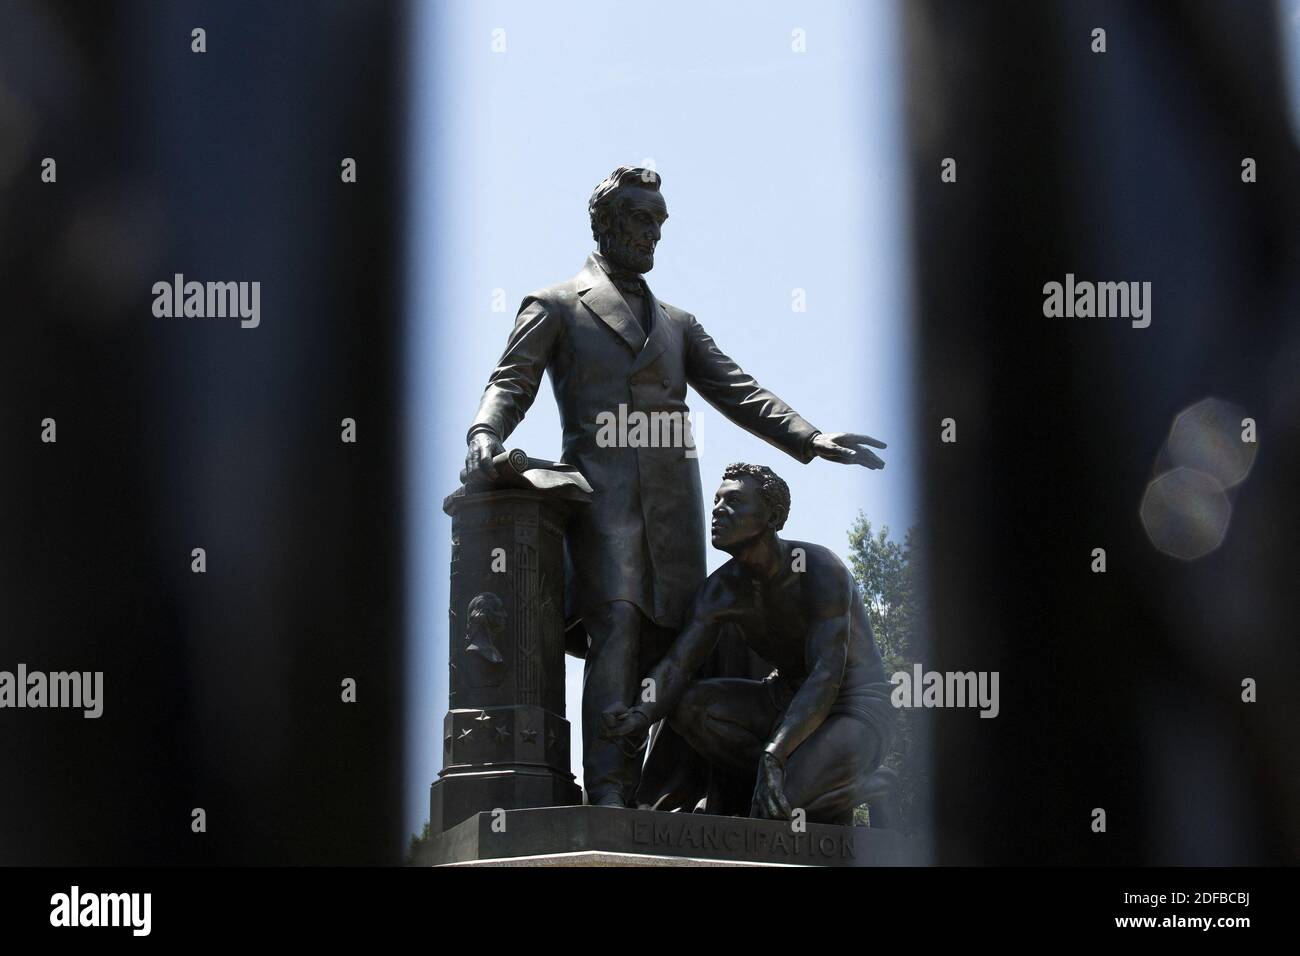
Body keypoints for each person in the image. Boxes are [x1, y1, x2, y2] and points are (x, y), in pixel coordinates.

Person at [465, 166, 886, 808]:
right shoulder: (554, 305)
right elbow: (510, 381)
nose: (654, 233)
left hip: (679, 515)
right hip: (605, 508)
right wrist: (483, 436)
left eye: (661, 222)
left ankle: (686, 795)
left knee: (698, 647)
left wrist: (810, 438)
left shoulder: (678, 323)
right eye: (641, 219)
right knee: (618, 629)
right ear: (605, 223)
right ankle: (609, 793)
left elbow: (739, 390)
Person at [602, 463, 896, 825]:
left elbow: (825, 675)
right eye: (716, 500)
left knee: (778, 808)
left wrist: (776, 753)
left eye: (735, 501)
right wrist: (642, 714)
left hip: (851, 707)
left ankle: (870, 783)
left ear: (772, 516)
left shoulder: (818, 570)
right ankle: (789, 772)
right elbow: (679, 666)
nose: (718, 510)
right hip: (782, 699)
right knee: (690, 706)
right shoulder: (721, 589)